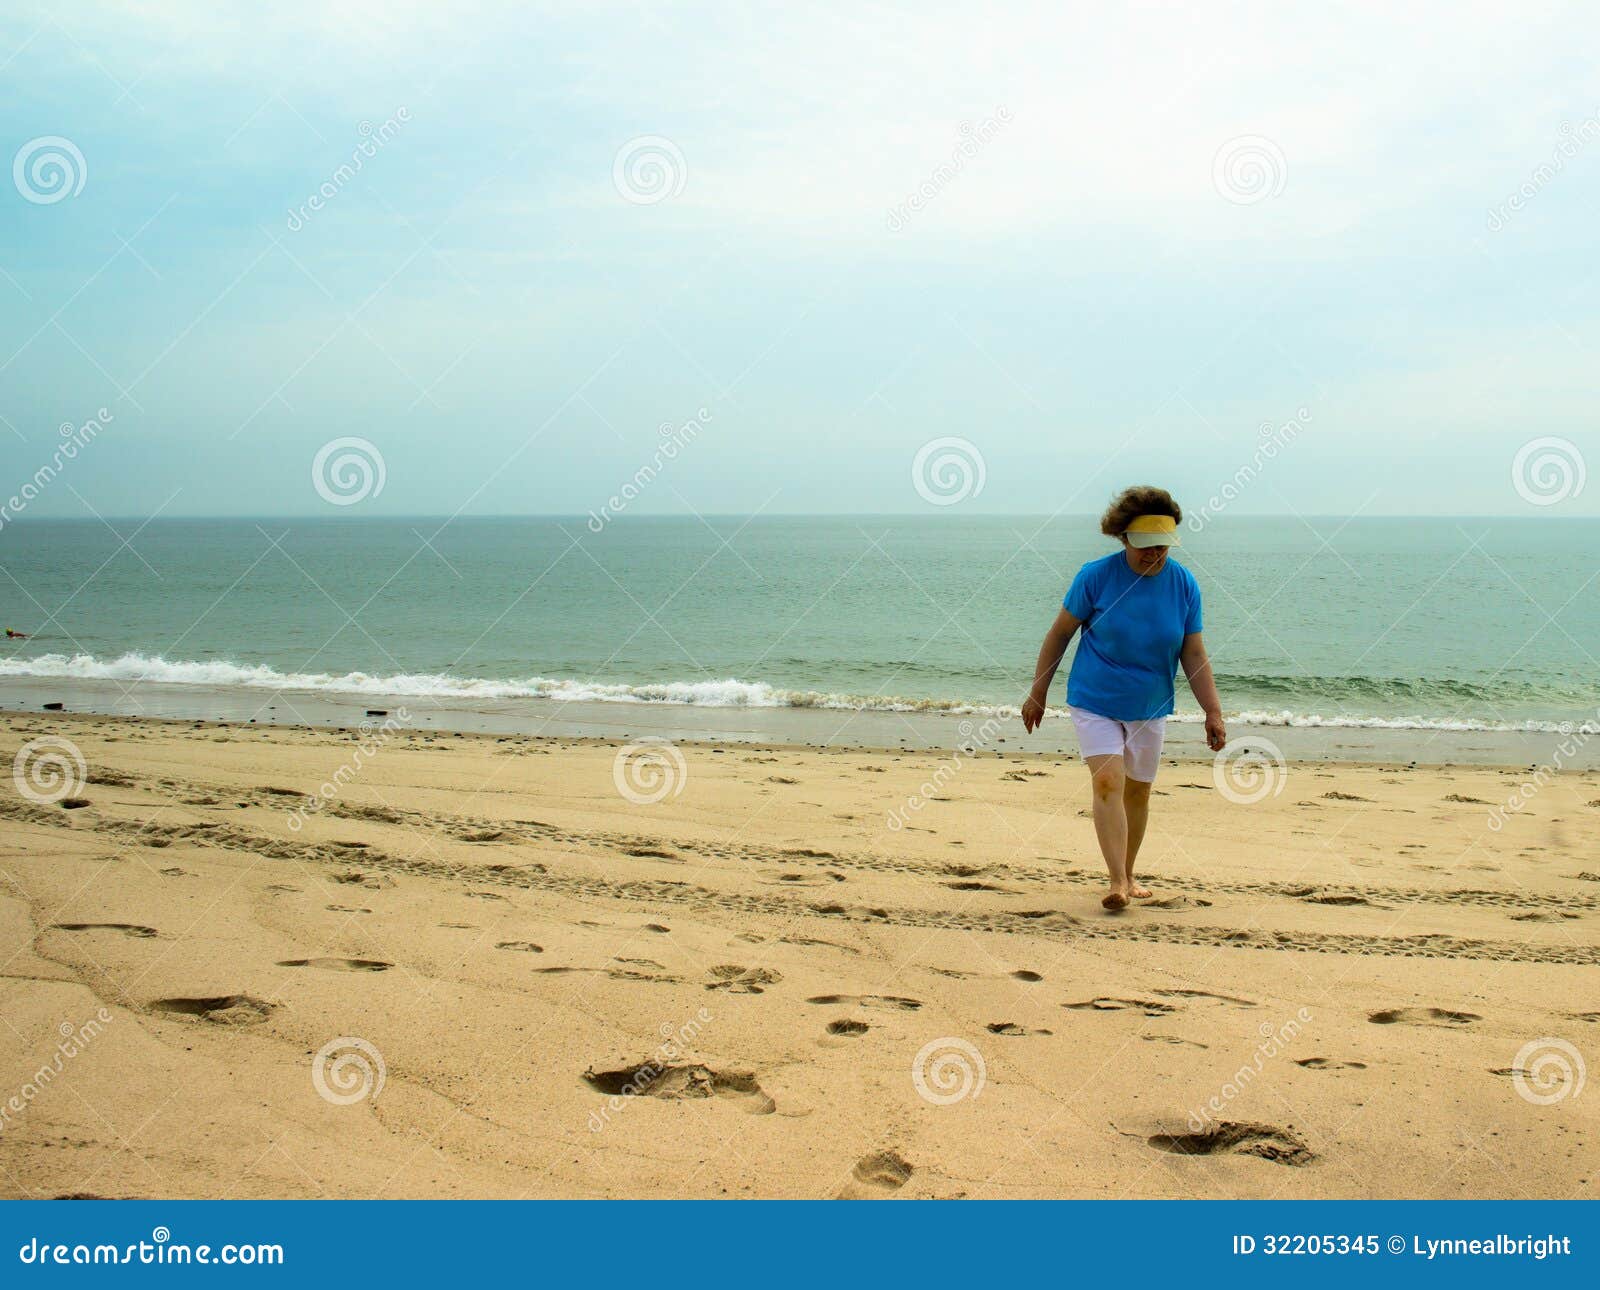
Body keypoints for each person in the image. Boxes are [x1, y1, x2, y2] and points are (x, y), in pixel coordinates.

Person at [1021, 486, 1226, 911]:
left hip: (1150, 704)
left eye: (1162, 547)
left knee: (1138, 792)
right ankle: (1116, 881)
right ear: (1124, 540)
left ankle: (1130, 873)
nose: (1154, 555)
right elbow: (1060, 633)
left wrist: (1213, 711)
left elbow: (1193, 652)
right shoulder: (1094, 576)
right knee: (1108, 781)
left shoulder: (1184, 585)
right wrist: (1038, 691)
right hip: (1094, 696)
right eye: (1144, 547)